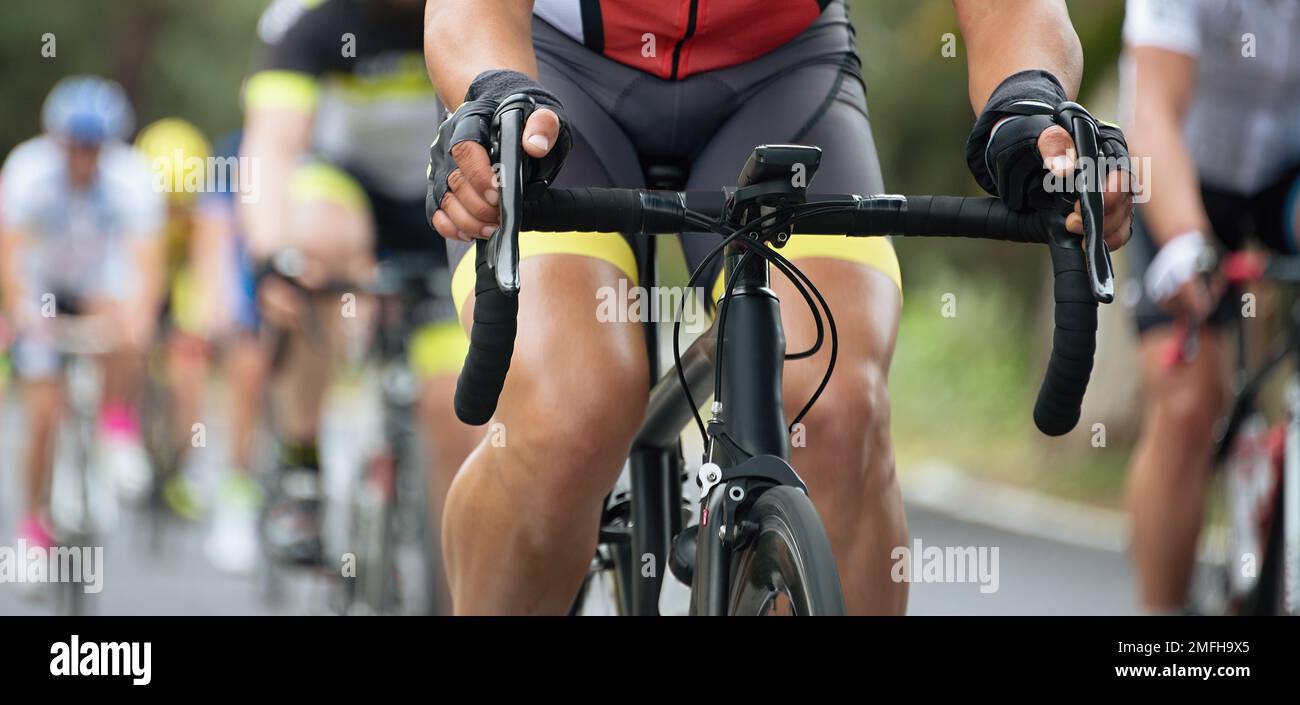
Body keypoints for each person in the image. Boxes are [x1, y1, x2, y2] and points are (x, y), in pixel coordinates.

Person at [424, 0, 1134, 614]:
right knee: (568, 412)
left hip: (777, 75)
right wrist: (491, 93)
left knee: (837, 408)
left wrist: (1029, 105)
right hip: (554, 74)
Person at [240, 0, 479, 573]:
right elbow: (272, 147)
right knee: (311, 249)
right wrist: (271, 257)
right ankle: (301, 466)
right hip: (346, 190)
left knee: (455, 417)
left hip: (442, 201)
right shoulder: (310, 20)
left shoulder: (469, 10)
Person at [1121, 0, 1300, 612]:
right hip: (1181, 169)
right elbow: (1152, 114)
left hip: (1284, 178)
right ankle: (1162, 633)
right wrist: (1187, 244)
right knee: (1188, 402)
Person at [0, 75, 165, 549]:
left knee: (128, 320)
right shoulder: (28, 170)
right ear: (56, 140)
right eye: (74, 145)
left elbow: (144, 262)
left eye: (94, 147)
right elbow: (13, 256)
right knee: (43, 414)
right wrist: (23, 313)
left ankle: (116, 423)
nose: (83, 157)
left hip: (98, 281)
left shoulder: (132, 176)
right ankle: (33, 529)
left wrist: (139, 316)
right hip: (44, 284)